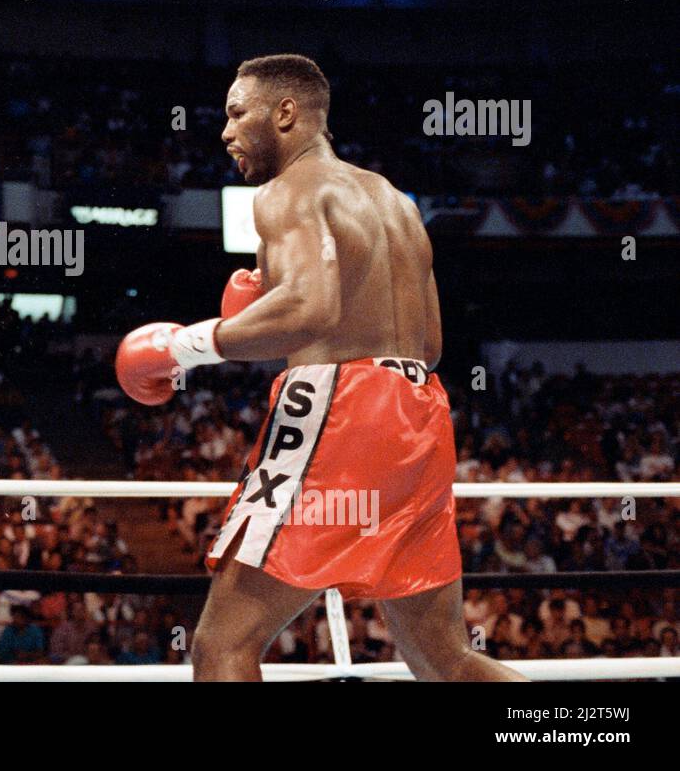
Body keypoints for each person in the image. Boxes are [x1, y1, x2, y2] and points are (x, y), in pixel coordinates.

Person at [115, 54, 524, 681]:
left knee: (221, 645)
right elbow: (432, 343)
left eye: (235, 113)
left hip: (342, 409)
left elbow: (310, 308)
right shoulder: (395, 202)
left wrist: (184, 347)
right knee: (444, 657)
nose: (224, 132)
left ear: (286, 113)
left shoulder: (287, 191)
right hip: (419, 411)